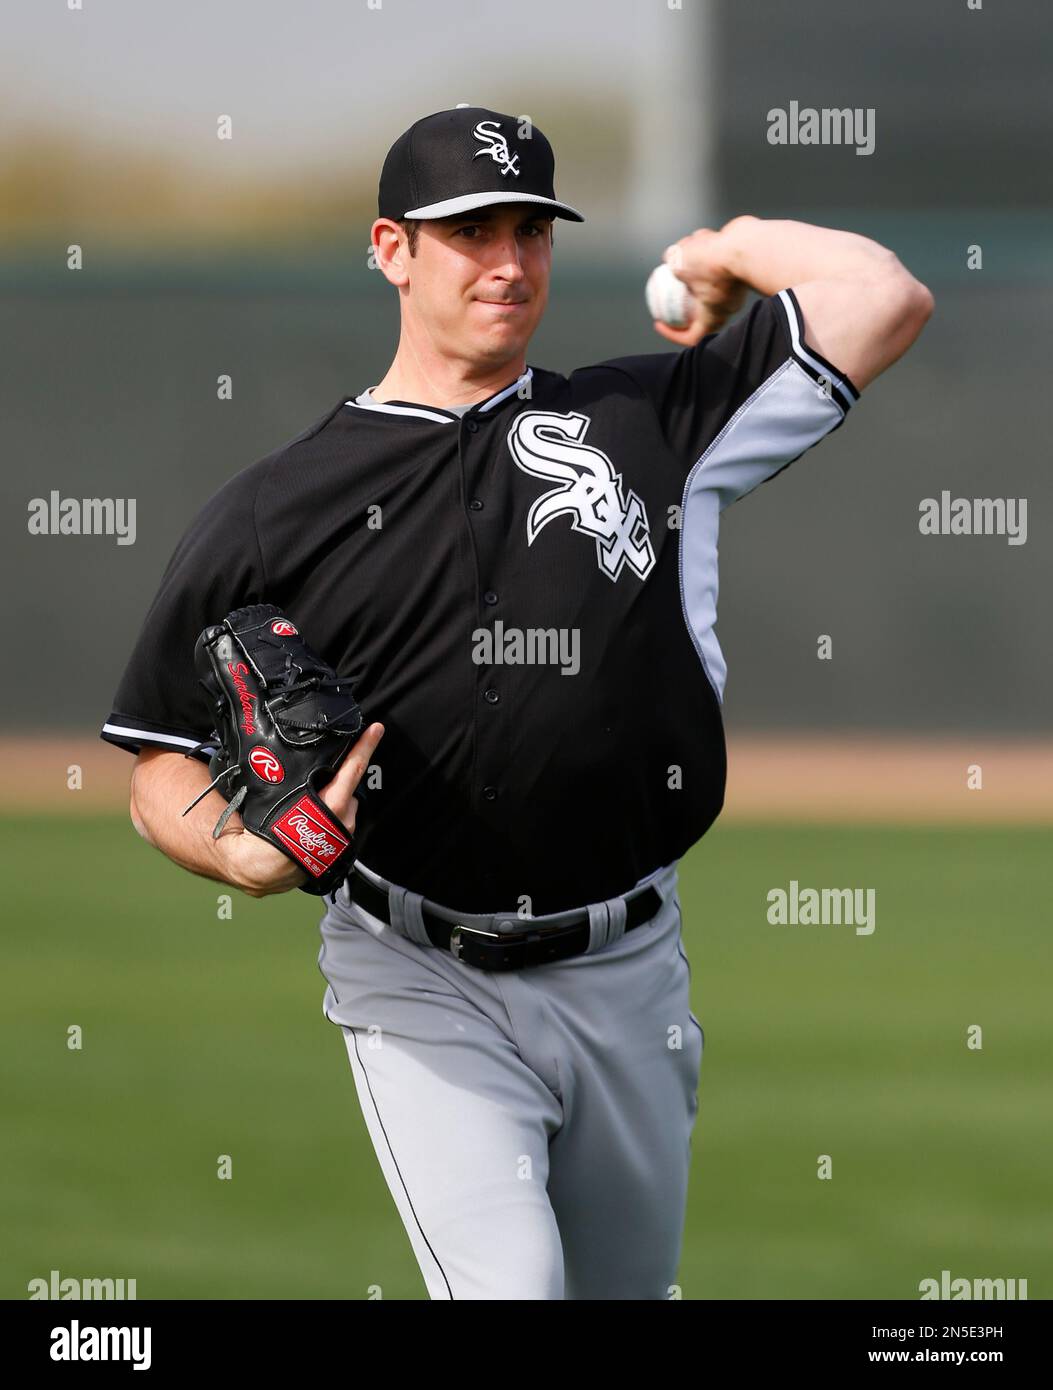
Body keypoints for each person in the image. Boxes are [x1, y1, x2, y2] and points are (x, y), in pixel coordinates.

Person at [101, 106, 933, 1299]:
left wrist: (729, 247)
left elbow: (887, 297)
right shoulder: (272, 510)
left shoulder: (654, 426)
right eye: (470, 232)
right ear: (391, 249)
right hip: (419, 973)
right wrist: (236, 854)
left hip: (630, 968)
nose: (509, 262)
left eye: (532, 230)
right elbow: (156, 765)